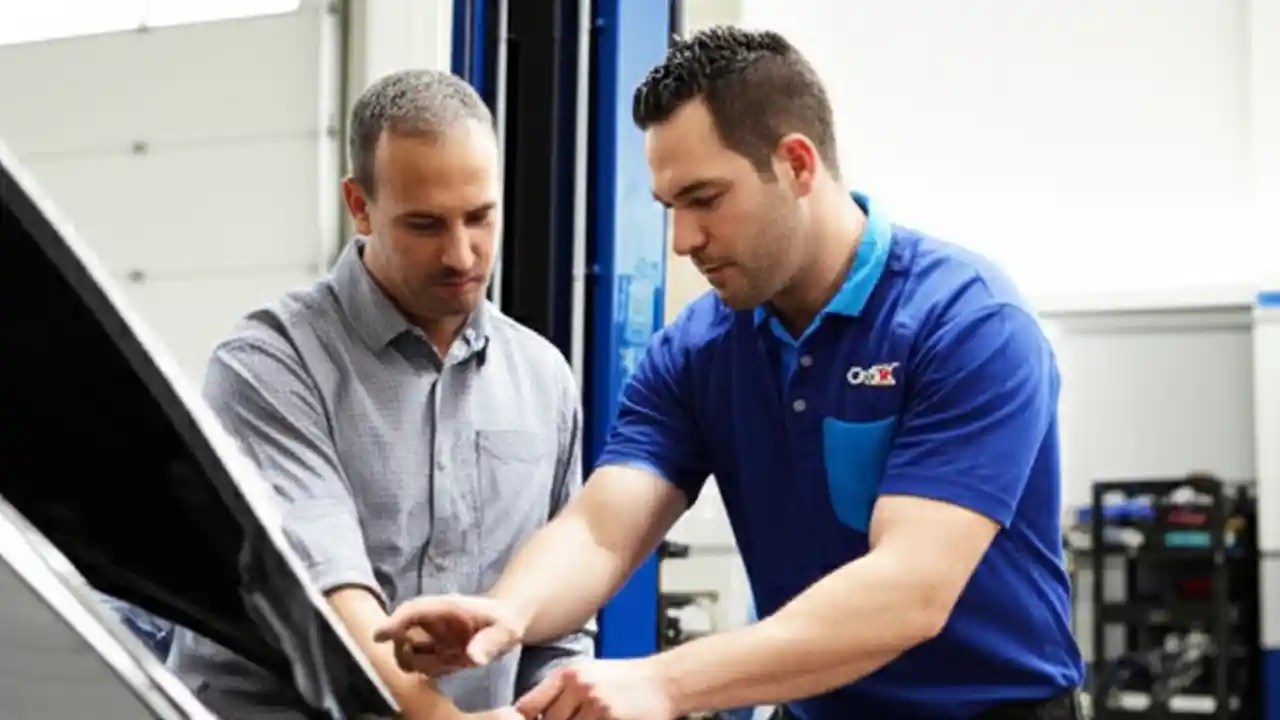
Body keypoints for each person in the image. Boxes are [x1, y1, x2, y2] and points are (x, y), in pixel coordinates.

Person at [375, 26, 1085, 720]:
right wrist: (509, 610)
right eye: (670, 209)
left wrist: (666, 683)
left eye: (705, 200)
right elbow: (601, 528)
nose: (683, 241)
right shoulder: (697, 350)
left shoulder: (967, 322)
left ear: (798, 165)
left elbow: (911, 591)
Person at [165, 68, 590, 719]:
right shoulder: (270, 364)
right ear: (359, 206)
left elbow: (557, 626)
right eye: (425, 225)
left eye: (480, 218)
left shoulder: (544, 380)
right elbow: (332, 605)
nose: (461, 254)